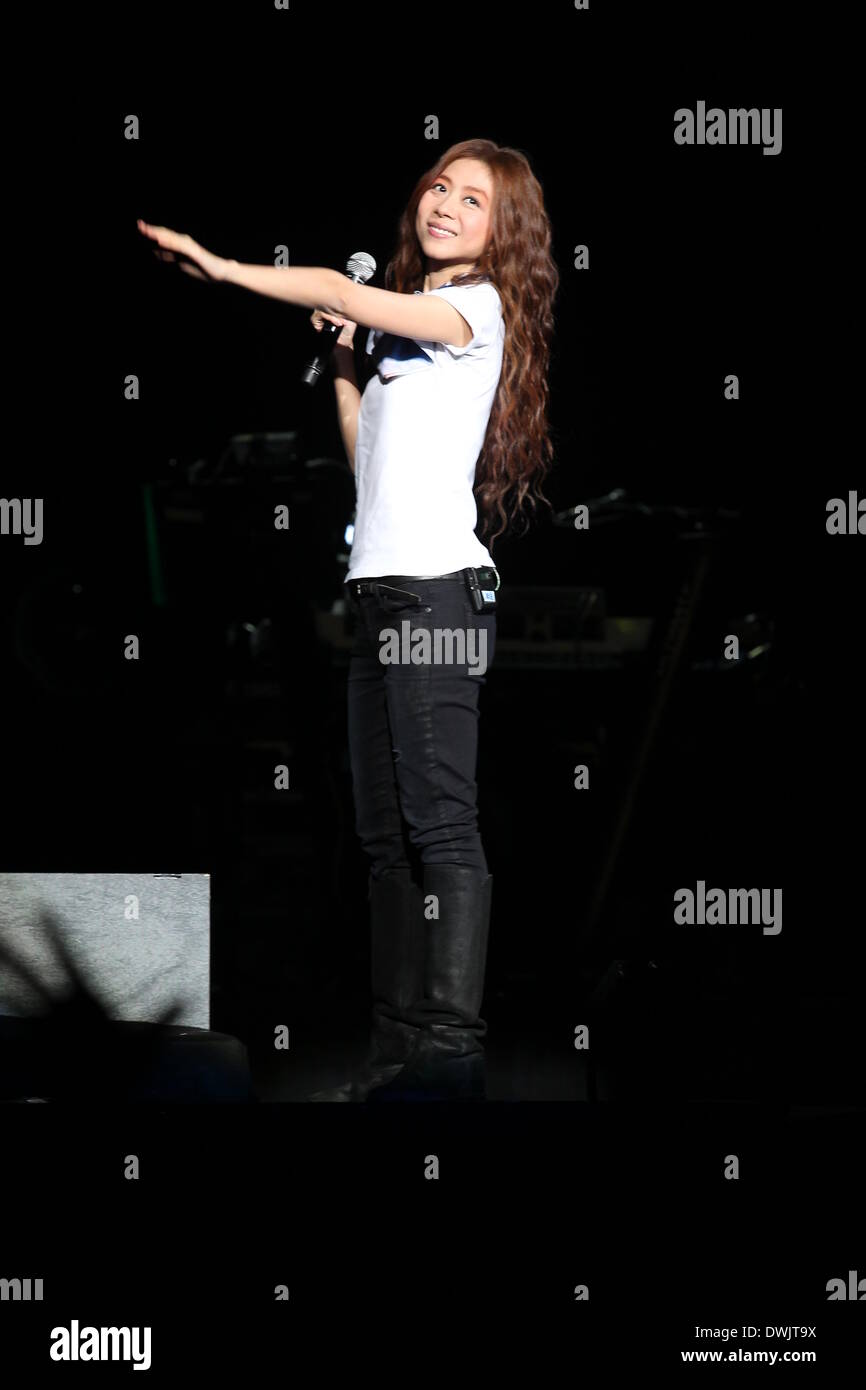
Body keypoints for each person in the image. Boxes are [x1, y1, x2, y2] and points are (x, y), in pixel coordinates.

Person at [137, 137, 559, 1101]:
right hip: (381, 597)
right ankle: (397, 1054)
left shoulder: (476, 310)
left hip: (439, 595)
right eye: (439, 186)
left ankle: (450, 1056)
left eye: (474, 200)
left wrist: (221, 265)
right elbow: (363, 451)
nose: (446, 204)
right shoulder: (411, 334)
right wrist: (340, 357)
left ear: (504, 234)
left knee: (440, 824)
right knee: (381, 835)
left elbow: (336, 280)